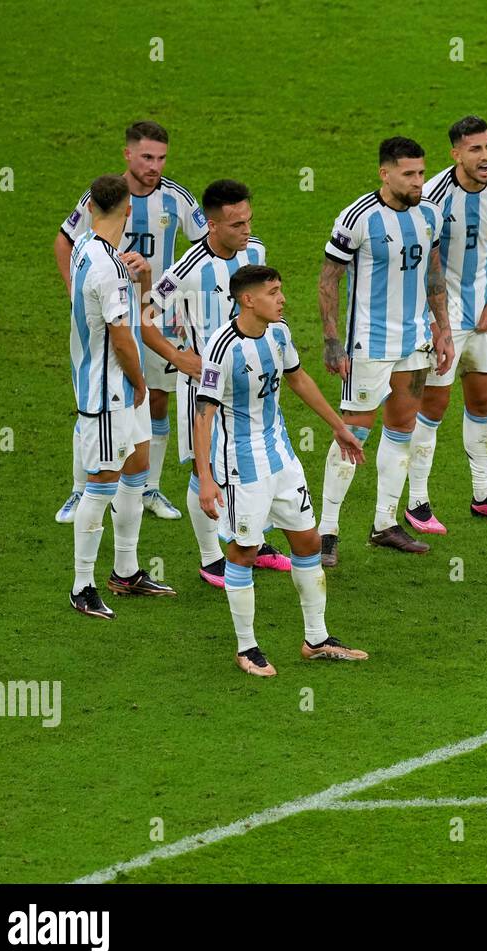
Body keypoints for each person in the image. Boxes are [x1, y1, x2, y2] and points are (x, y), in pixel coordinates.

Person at [193, 266, 368, 677]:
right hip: (242, 465)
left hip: (282, 456)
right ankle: (246, 647)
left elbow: (298, 378)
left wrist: (338, 426)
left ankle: (316, 638)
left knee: (307, 541)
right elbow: (204, 415)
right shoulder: (221, 349)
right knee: (245, 551)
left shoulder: (279, 332)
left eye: (281, 290)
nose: (282, 298)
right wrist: (205, 477)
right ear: (248, 300)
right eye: (273, 292)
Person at [55, 120, 206, 523]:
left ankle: (148, 488)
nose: (154, 166)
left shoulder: (176, 199)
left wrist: (180, 297)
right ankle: (80, 489)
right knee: (97, 398)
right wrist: (76, 294)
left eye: (160, 158)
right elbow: (64, 240)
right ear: (128, 155)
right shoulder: (105, 196)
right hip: (108, 313)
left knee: (155, 397)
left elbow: (206, 247)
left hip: (156, 316)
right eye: (146, 157)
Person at [316, 137, 455, 563]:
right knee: (353, 433)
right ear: (385, 173)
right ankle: (327, 531)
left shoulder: (430, 213)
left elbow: (433, 274)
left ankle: (384, 524)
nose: (418, 181)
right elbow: (328, 280)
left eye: (421, 172)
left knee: (402, 430)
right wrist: (332, 339)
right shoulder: (357, 217)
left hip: (414, 343)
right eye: (410, 174)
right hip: (368, 345)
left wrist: (444, 330)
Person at [150, 179, 291, 587]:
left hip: (252, 378)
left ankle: (254, 540)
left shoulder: (256, 250)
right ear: (211, 225)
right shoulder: (185, 270)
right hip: (205, 384)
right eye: (236, 224)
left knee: (256, 461)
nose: (246, 230)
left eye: (248, 220)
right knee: (205, 468)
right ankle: (211, 557)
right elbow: (143, 317)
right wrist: (178, 356)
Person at [408, 116, 487, 534]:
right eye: (475, 149)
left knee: (482, 402)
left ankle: (483, 495)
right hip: (442, 319)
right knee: (433, 407)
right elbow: (425, 262)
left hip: (484, 318)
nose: (485, 156)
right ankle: (417, 502)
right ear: (455, 153)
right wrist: (437, 325)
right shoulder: (434, 197)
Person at [68, 174, 178, 618]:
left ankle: (126, 572)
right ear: (128, 210)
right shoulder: (108, 267)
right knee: (100, 487)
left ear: (92, 207)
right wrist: (139, 382)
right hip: (109, 392)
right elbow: (122, 338)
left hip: (112, 389)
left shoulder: (86, 250)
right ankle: (81, 586)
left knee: (136, 469)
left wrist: (137, 278)